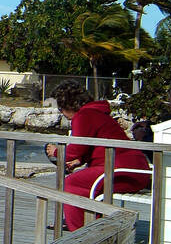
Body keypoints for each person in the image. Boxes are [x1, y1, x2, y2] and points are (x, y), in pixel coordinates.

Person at [44, 82, 151, 231]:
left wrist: (55, 151)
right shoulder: (96, 113)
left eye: (60, 108)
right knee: (83, 185)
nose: (61, 112)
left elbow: (74, 150)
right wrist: (79, 160)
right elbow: (92, 145)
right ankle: (91, 225)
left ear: (68, 104)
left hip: (122, 169)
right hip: (135, 170)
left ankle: (79, 232)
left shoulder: (83, 115)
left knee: (72, 183)